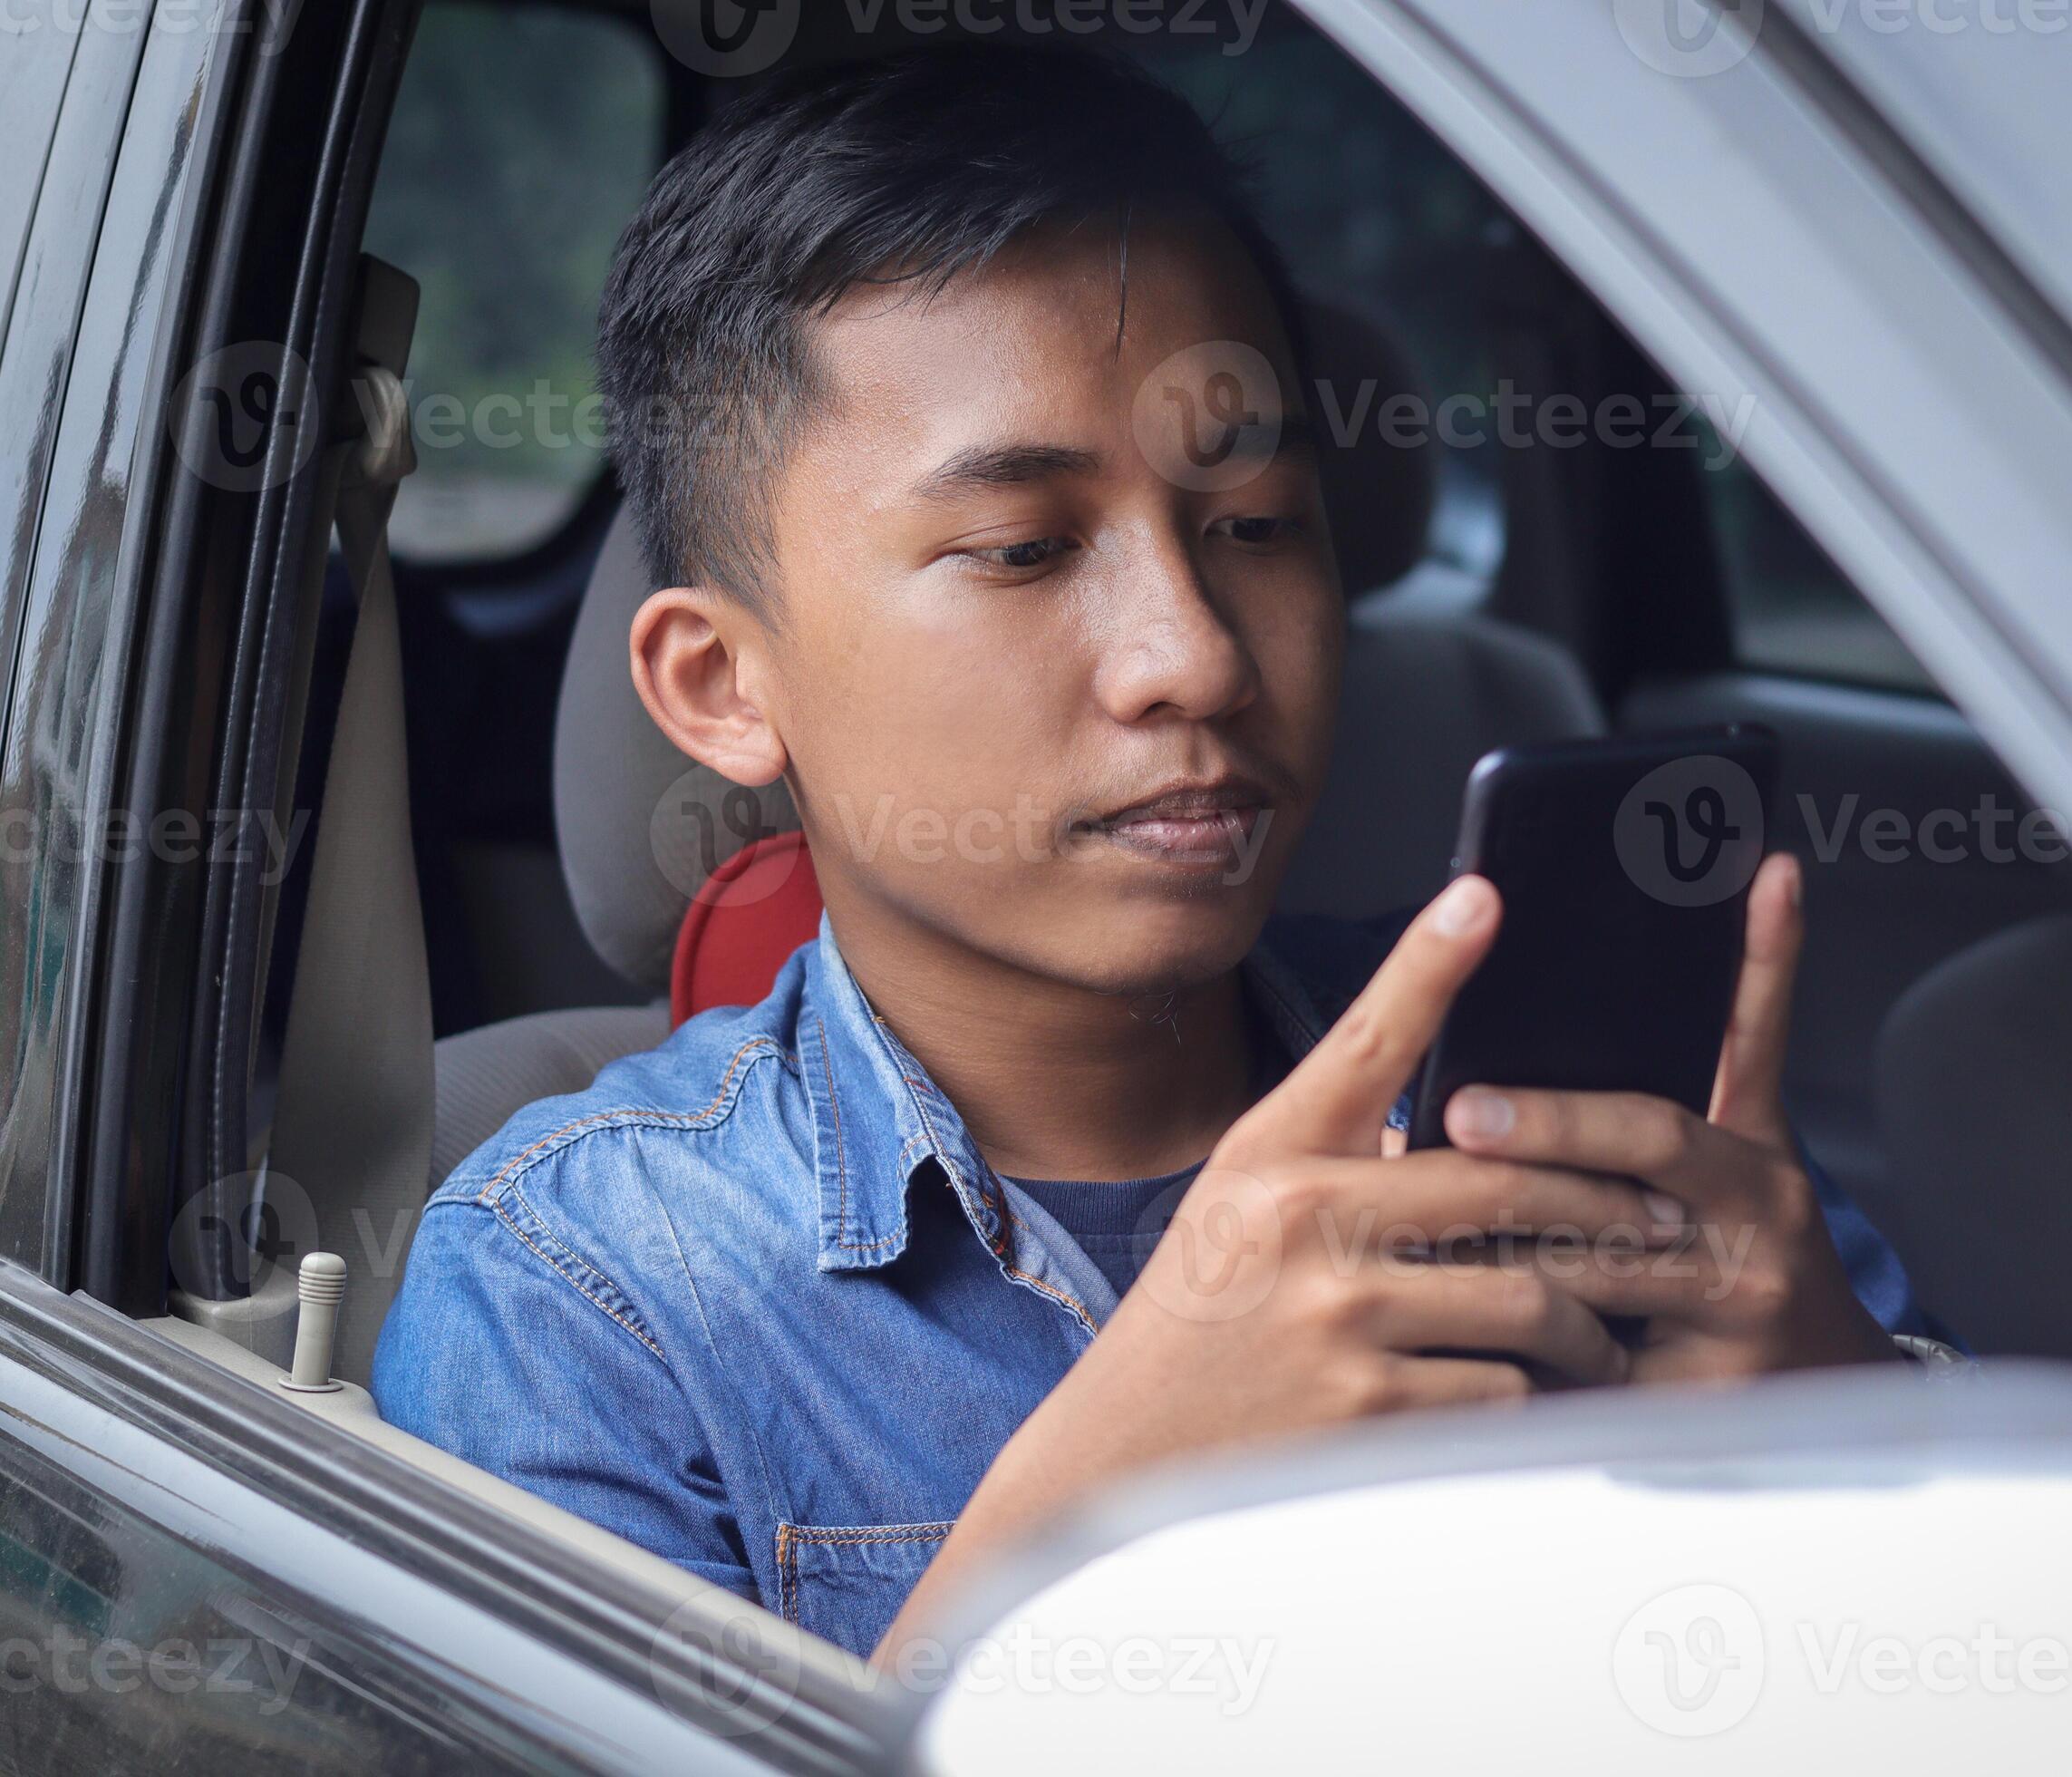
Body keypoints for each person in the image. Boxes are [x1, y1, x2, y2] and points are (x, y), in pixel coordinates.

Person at [373, 44, 1935, 1663]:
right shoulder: (584, 1287)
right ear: (724, 685)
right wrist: (1097, 1512)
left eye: (1255, 524)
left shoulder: (1581, 1105)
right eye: (1024, 551)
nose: (1192, 655)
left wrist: (1862, 1427)